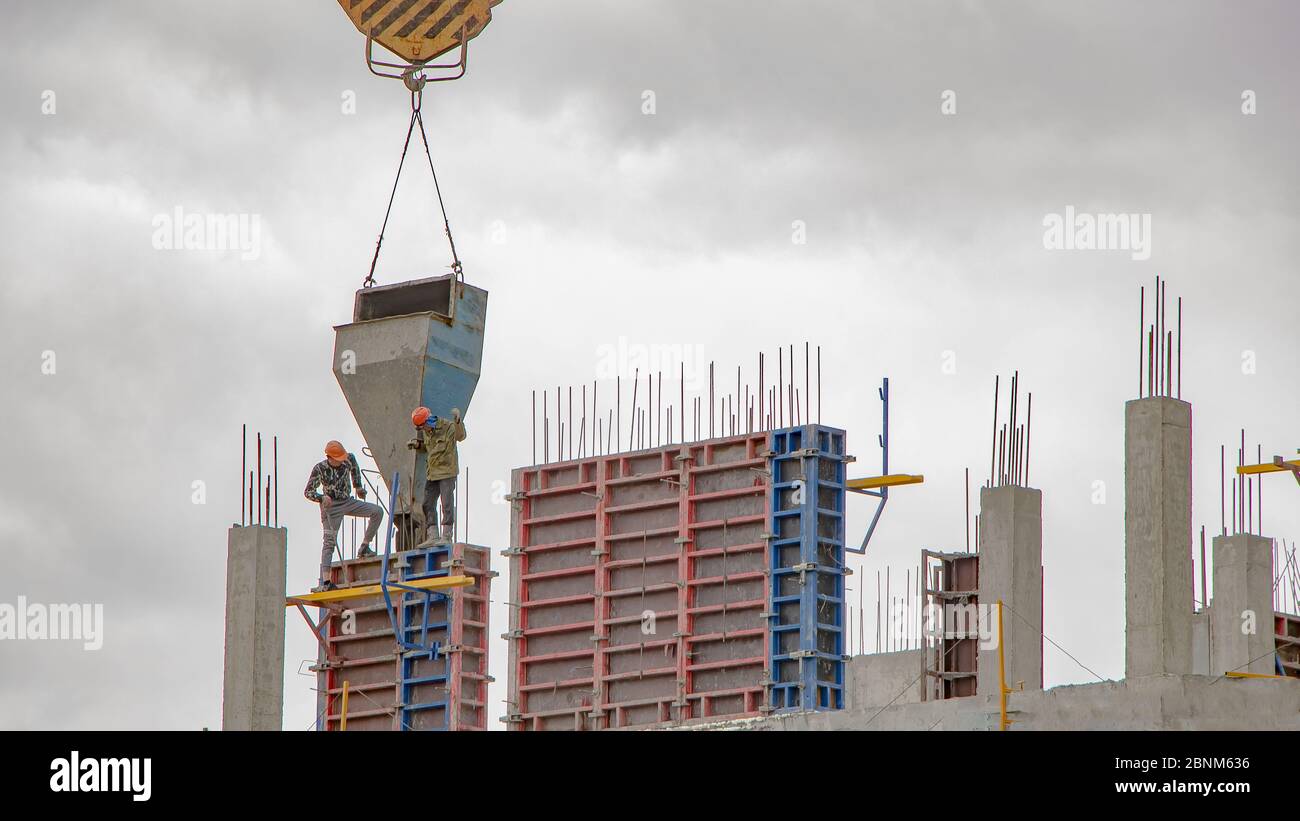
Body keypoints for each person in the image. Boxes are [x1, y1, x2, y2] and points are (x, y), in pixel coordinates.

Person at [304, 440, 383, 590]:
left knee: (377, 512)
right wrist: (321, 498)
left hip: (348, 501)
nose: (341, 461)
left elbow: (355, 469)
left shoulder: (348, 459)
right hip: (331, 507)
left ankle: (364, 547)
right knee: (329, 542)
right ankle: (326, 582)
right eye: (338, 459)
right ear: (330, 457)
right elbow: (308, 492)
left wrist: (358, 487)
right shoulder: (320, 469)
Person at [407, 406, 466, 546]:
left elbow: (460, 436)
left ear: (428, 421)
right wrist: (417, 445)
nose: (423, 430)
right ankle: (433, 535)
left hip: (447, 472)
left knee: (446, 504)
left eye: (423, 427)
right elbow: (428, 448)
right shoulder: (428, 432)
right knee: (427, 504)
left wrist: (458, 422)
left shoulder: (447, 426)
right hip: (432, 473)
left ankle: (446, 535)